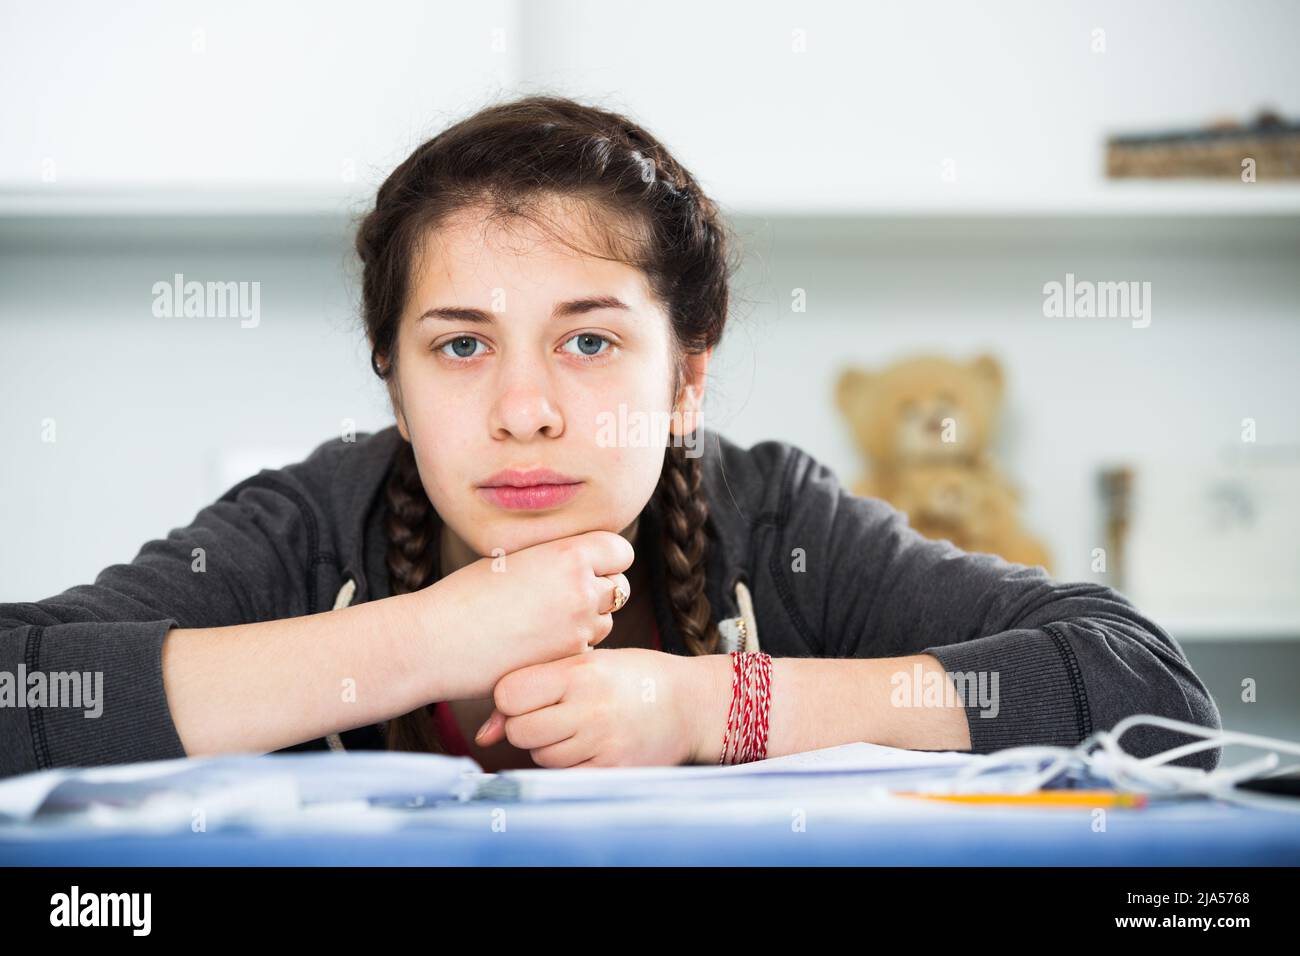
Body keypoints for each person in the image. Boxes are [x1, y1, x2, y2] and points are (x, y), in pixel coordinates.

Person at [0, 95, 1221, 779]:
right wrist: (421, 639)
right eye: (461, 346)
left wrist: (716, 707)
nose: (525, 408)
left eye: (587, 340)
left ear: (686, 379)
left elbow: (1148, 690)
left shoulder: (775, 519)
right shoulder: (311, 524)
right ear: (395, 387)